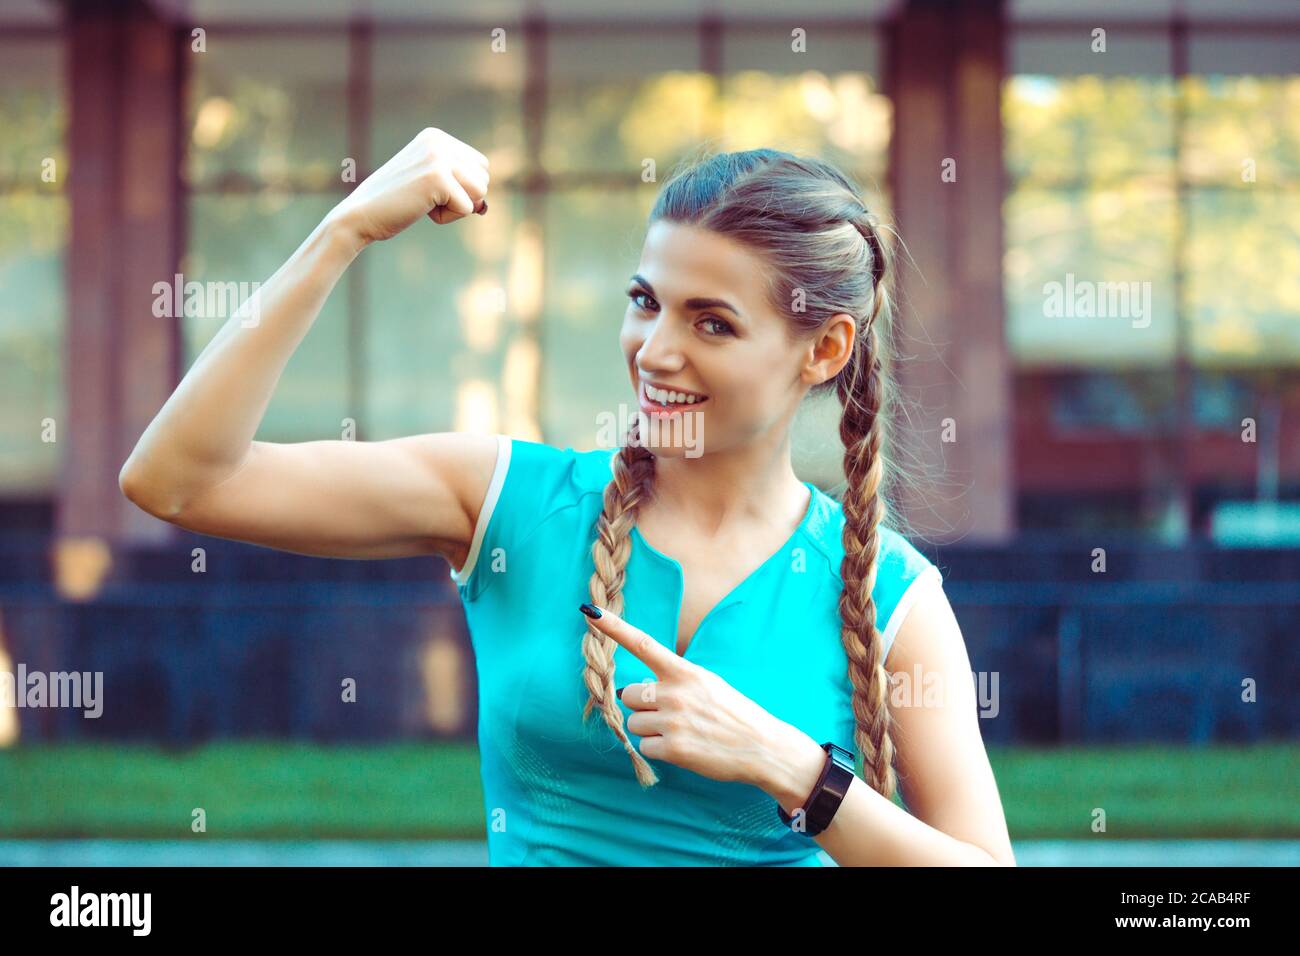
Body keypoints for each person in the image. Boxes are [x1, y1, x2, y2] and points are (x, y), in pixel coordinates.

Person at [120, 127, 1015, 867]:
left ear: (823, 351)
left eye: (711, 322)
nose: (655, 352)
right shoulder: (509, 503)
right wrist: (343, 231)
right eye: (645, 301)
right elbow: (180, 480)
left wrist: (790, 767)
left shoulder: (892, 596)